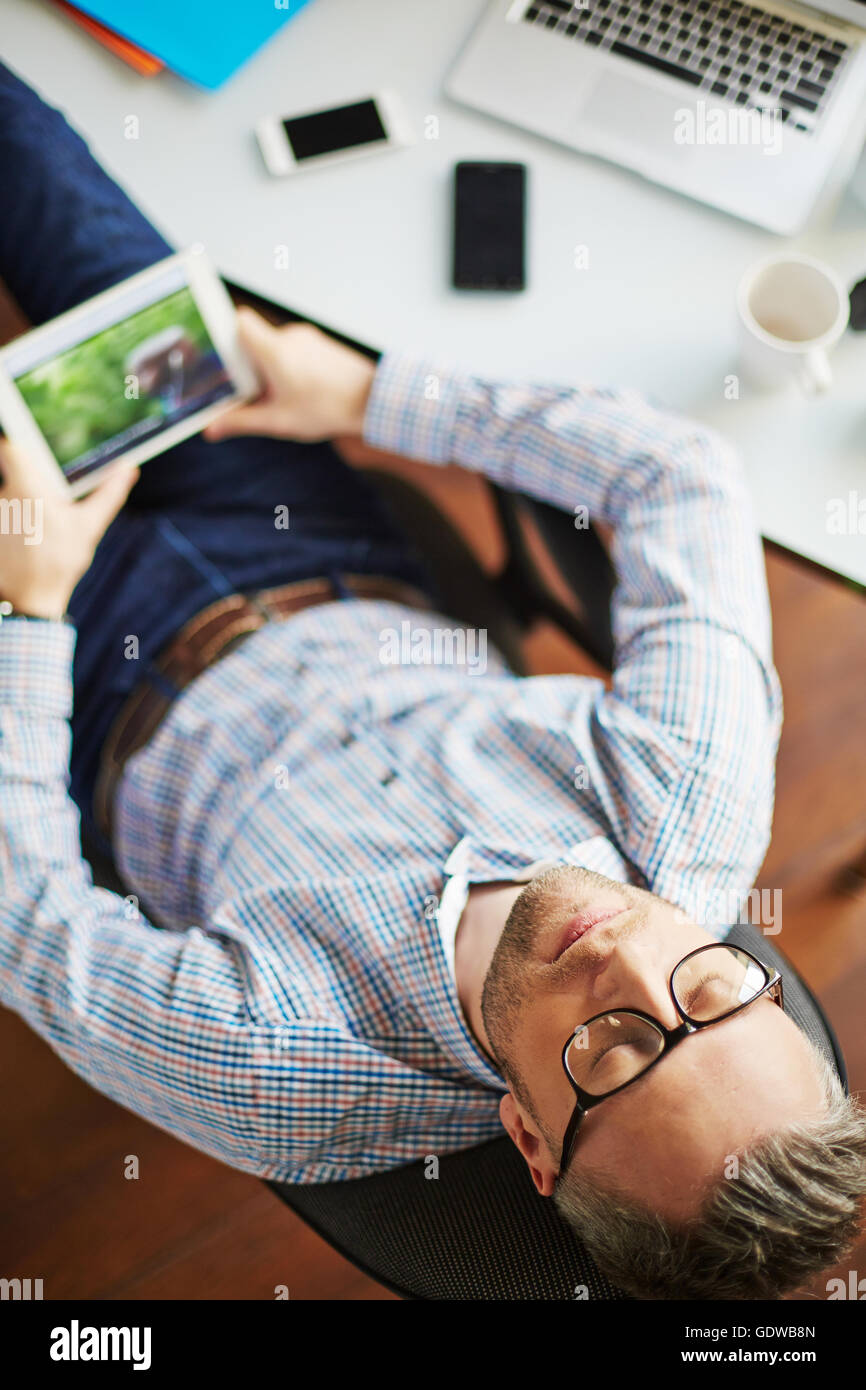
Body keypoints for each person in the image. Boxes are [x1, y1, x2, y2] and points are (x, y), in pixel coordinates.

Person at [0, 60, 863, 1301]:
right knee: (46, 173)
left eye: (614, 1055)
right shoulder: (691, 808)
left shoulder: (287, 1072)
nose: (623, 957)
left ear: (524, 1137)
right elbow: (682, 478)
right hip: (299, 525)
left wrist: (26, 604)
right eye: (719, 986)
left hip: (81, 685)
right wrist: (360, 393)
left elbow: (31, 927)